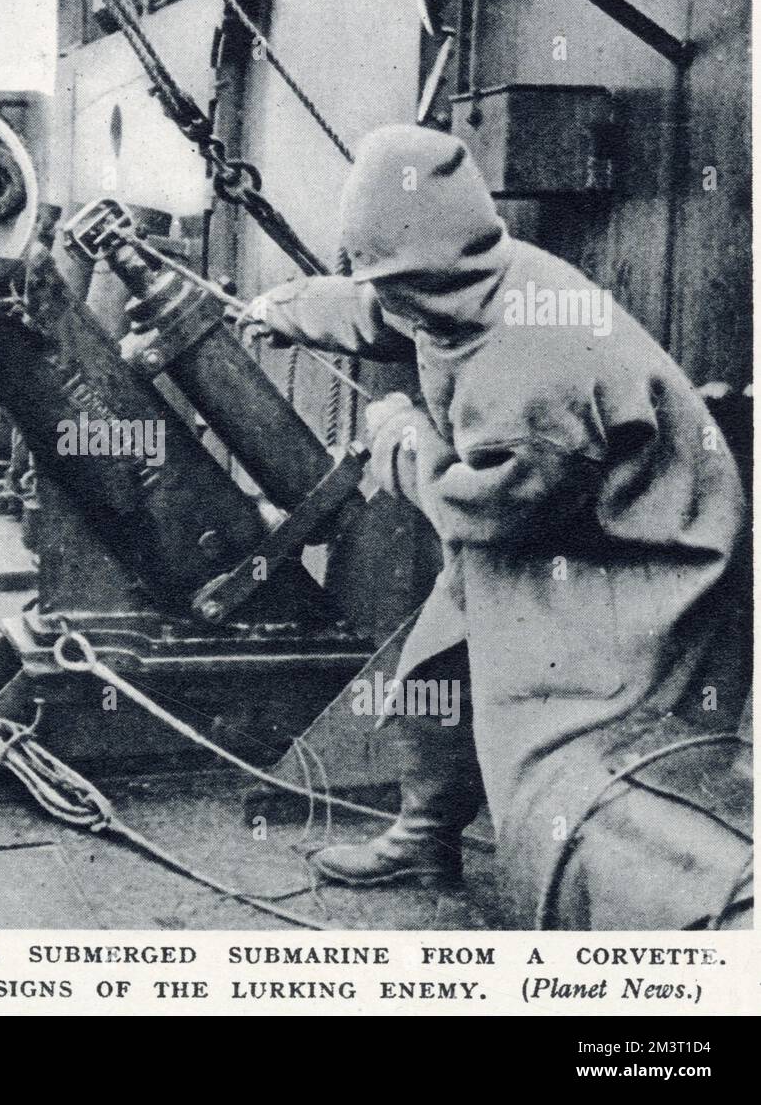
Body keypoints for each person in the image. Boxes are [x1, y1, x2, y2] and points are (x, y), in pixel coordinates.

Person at [245, 123, 744, 891]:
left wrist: (401, 439)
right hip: (559, 520)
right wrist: (290, 309)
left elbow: (476, 513)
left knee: (564, 749)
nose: (386, 296)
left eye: (390, 279)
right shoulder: (464, 278)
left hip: (641, 556)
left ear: (428, 268)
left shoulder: (538, 361)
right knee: (437, 668)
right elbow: (385, 309)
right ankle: (424, 835)